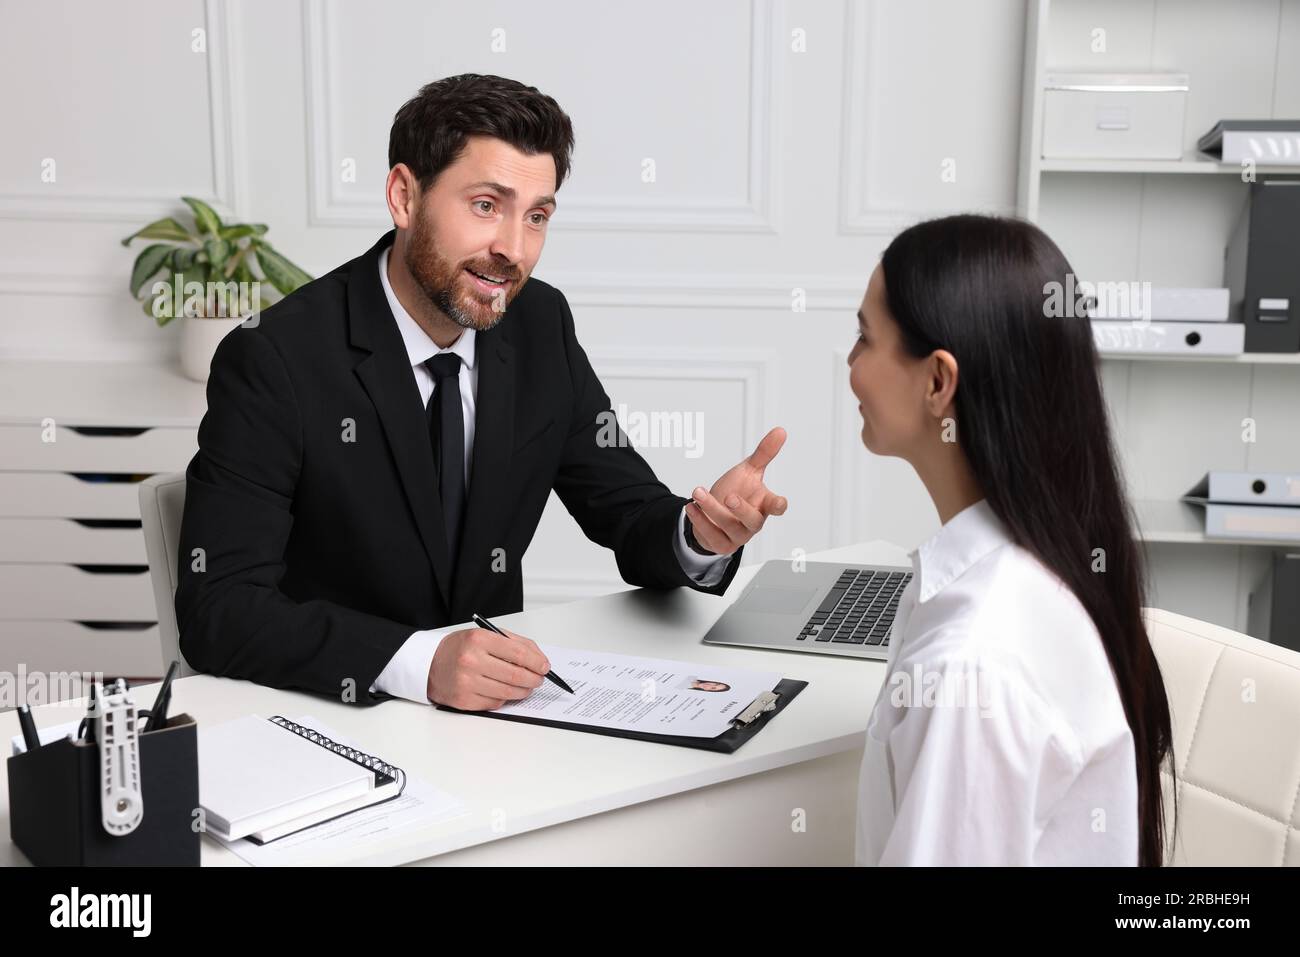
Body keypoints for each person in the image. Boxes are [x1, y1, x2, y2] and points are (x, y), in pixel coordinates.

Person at [175, 74, 788, 711]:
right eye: (486, 205)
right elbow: (218, 607)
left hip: (493, 728)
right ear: (404, 197)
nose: (513, 250)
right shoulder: (276, 357)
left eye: (537, 216)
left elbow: (625, 508)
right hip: (330, 720)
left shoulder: (540, 325)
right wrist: (416, 662)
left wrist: (698, 534)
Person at [848, 214, 1175, 866]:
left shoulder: (972, 667)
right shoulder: (1037, 569)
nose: (852, 363)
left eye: (863, 337)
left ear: (939, 382)